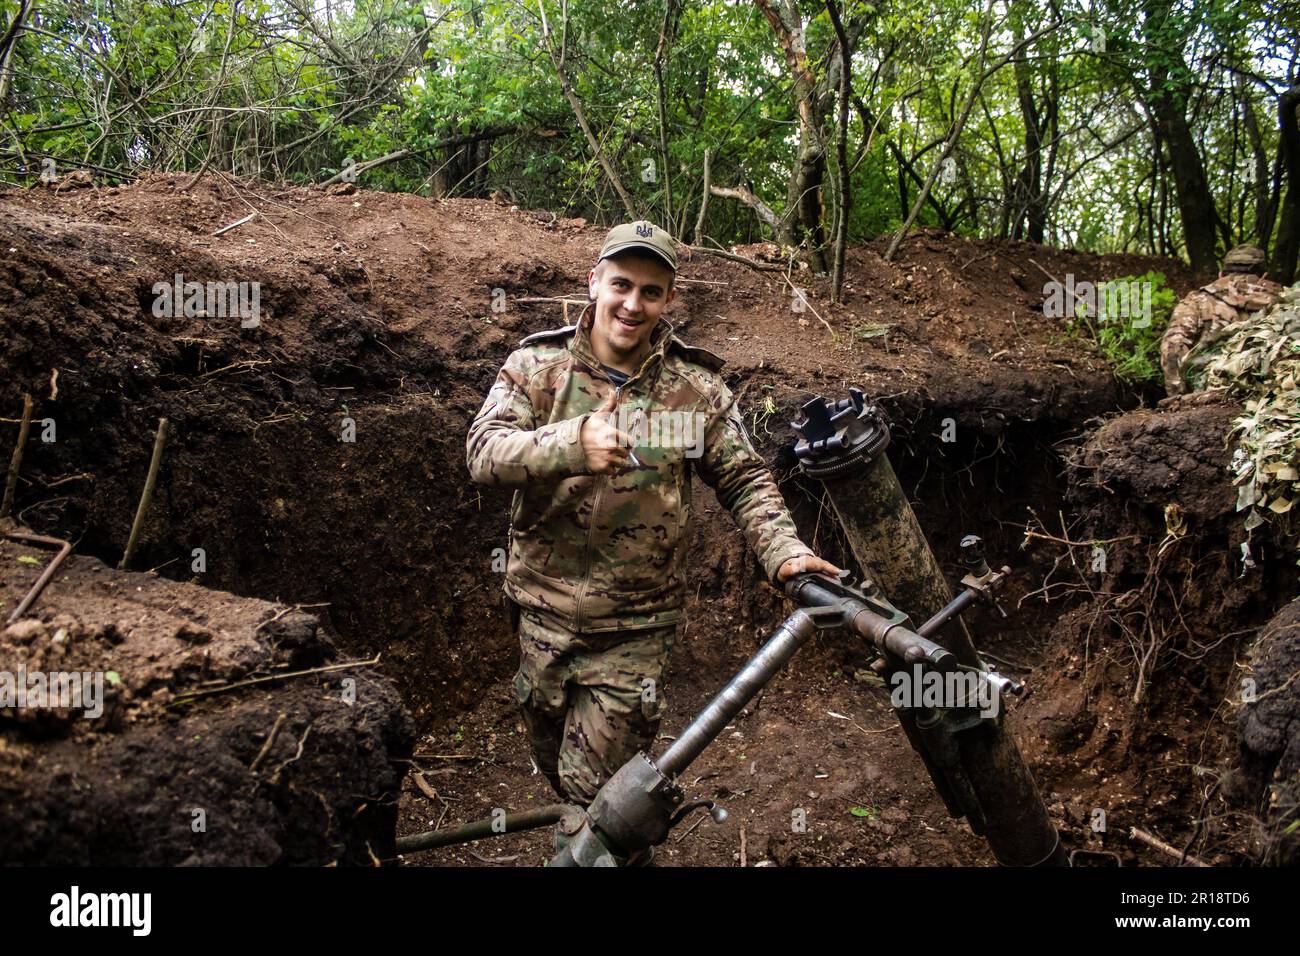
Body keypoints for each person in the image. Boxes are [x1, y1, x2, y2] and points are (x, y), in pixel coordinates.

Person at [466, 221, 838, 857]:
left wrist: (784, 552)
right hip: (538, 615)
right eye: (621, 285)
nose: (633, 305)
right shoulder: (538, 367)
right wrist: (571, 443)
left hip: (635, 629)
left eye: (652, 291)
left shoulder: (692, 392)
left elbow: (746, 481)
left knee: (595, 796)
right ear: (594, 284)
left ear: (669, 300)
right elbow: (483, 453)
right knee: (561, 774)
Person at [1160, 244, 1282, 395]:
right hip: (1271, 396)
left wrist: (1180, 395)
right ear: (1264, 276)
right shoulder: (1285, 303)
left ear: (1220, 275)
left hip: (1210, 393)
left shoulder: (1198, 301)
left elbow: (1172, 348)